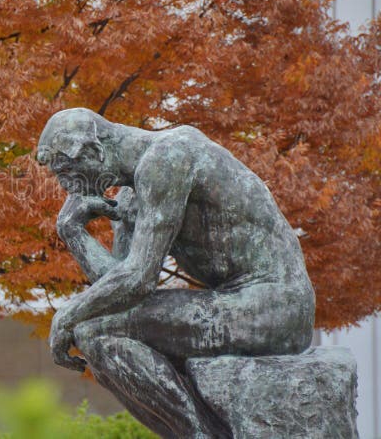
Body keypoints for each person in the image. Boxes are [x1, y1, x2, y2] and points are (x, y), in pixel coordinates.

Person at [36, 108, 315, 438]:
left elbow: (138, 280)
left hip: (278, 304)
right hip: (236, 300)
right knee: (94, 330)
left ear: (94, 151)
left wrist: (67, 315)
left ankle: (201, 434)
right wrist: (72, 231)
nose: (66, 186)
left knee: (91, 331)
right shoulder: (130, 193)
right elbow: (118, 287)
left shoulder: (168, 157)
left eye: (68, 172)